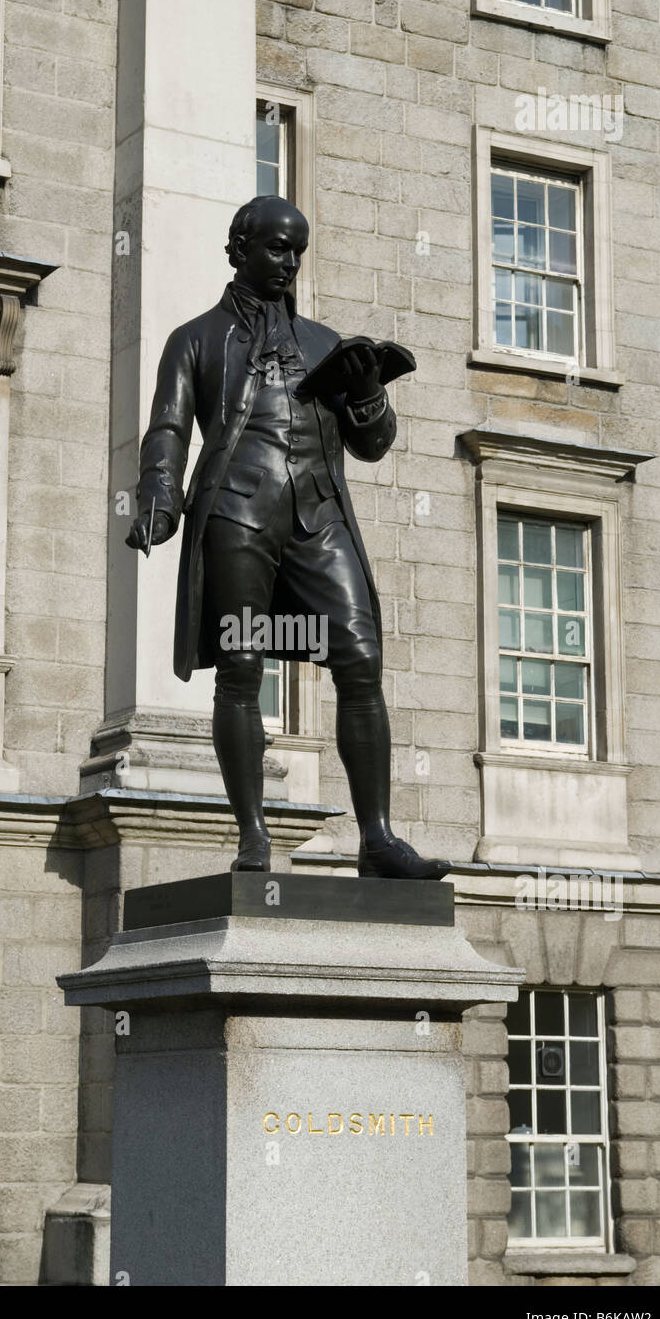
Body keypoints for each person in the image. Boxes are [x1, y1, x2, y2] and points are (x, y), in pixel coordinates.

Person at [126, 195, 449, 880]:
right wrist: (158, 496)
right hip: (238, 515)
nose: (289, 262)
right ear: (239, 251)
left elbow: (374, 446)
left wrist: (367, 395)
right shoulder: (194, 338)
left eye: (297, 250)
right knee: (244, 666)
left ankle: (378, 839)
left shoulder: (326, 345)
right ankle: (253, 835)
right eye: (277, 248)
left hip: (319, 518)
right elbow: (168, 428)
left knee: (359, 657)